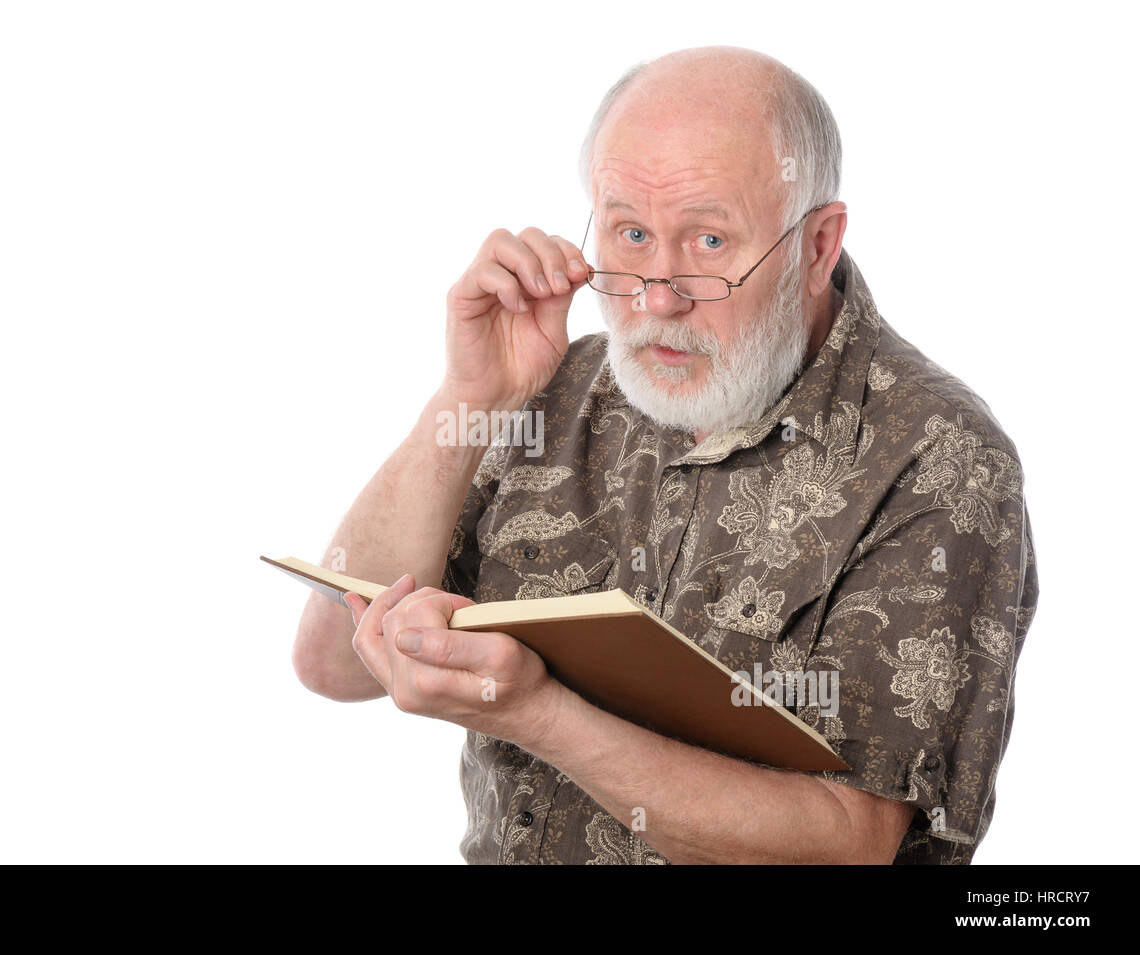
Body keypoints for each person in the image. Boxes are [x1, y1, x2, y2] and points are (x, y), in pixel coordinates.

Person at [291, 45, 1037, 864]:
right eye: (632, 233)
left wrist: (536, 711)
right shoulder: (556, 387)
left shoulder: (939, 456)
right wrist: (467, 399)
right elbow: (334, 660)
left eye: (709, 240)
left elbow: (850, 842)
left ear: (817, 245)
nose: (656, 297)